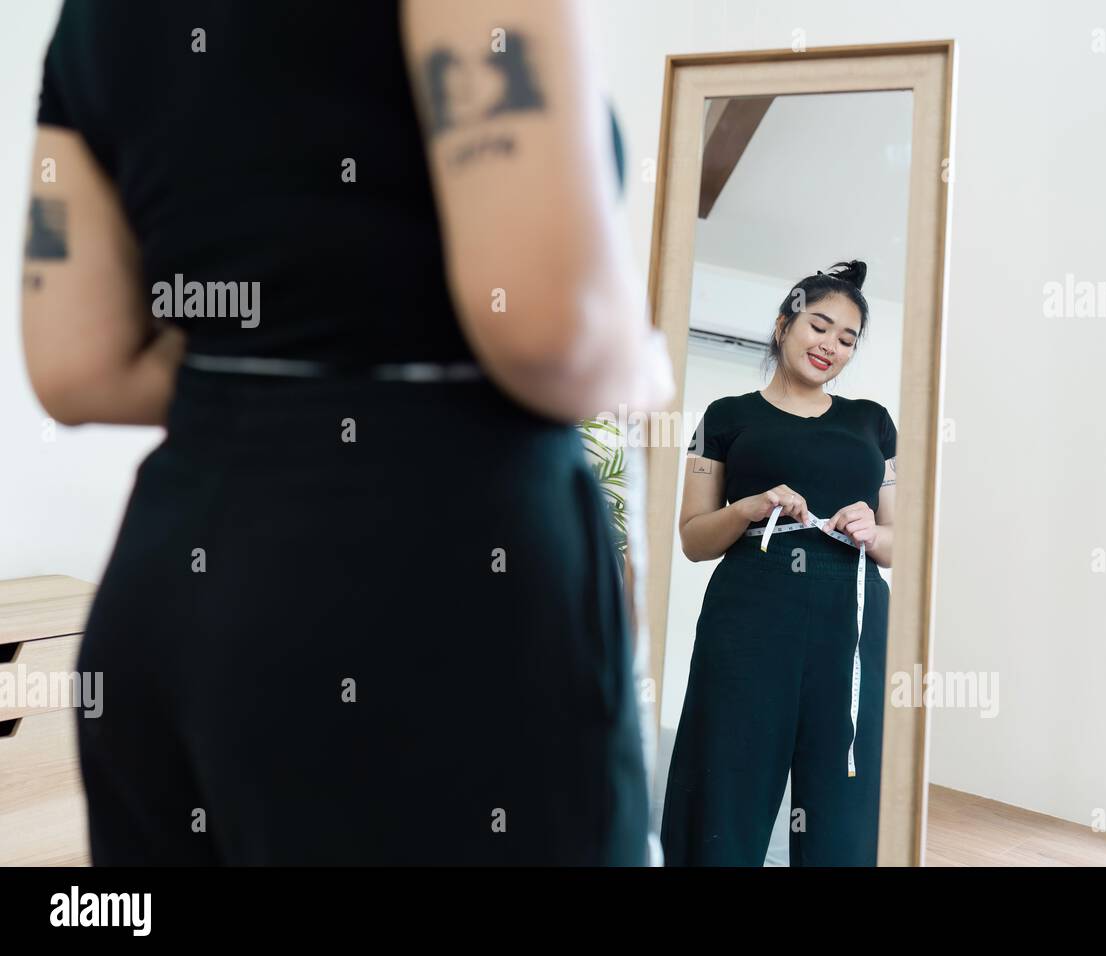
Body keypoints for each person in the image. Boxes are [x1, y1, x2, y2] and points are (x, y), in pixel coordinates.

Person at [21, 0, 673, 865]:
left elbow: (76, 365)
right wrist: (639, 362)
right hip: (437, 582)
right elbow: (548, 327)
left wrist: (283, 343)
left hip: (173, 589)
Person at [659, 260, 897, 866]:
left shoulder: (872, 423)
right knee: (727, 776)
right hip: (751, 612)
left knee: (844, 788)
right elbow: (693, 538)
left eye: (847, 339)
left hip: (854, 620)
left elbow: (903, 546)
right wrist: (750, 505)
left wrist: (873, 531)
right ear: (784, 323)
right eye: (820, 326)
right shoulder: (725, 416)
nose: (831, 346)